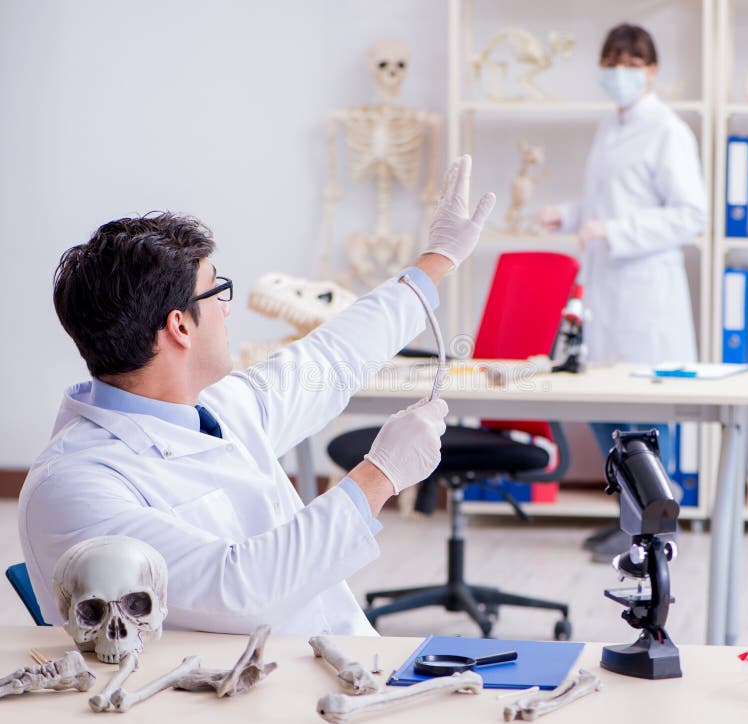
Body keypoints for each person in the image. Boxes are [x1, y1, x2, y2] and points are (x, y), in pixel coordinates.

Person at [18, 155, 496, 635]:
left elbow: (333, 356)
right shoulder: (74, 486)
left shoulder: (220, 406)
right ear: (179, 326)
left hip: (331, 664)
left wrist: (437, 259)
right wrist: (379, 475)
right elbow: (237, 590)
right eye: (217, 291)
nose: (227, 310)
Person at [537, 24, 707, 558]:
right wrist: (569, 215)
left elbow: (689, 215)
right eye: (612, 60)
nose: (620, 71)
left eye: (632, 62)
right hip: (606, 290)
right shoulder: (611, 126)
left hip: (645, 292)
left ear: (652, 70)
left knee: (642, 418)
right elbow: (609, 201)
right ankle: (628, 517)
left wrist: (615, 232)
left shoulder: (668, 130)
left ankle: (652, 526)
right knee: (604, 405)